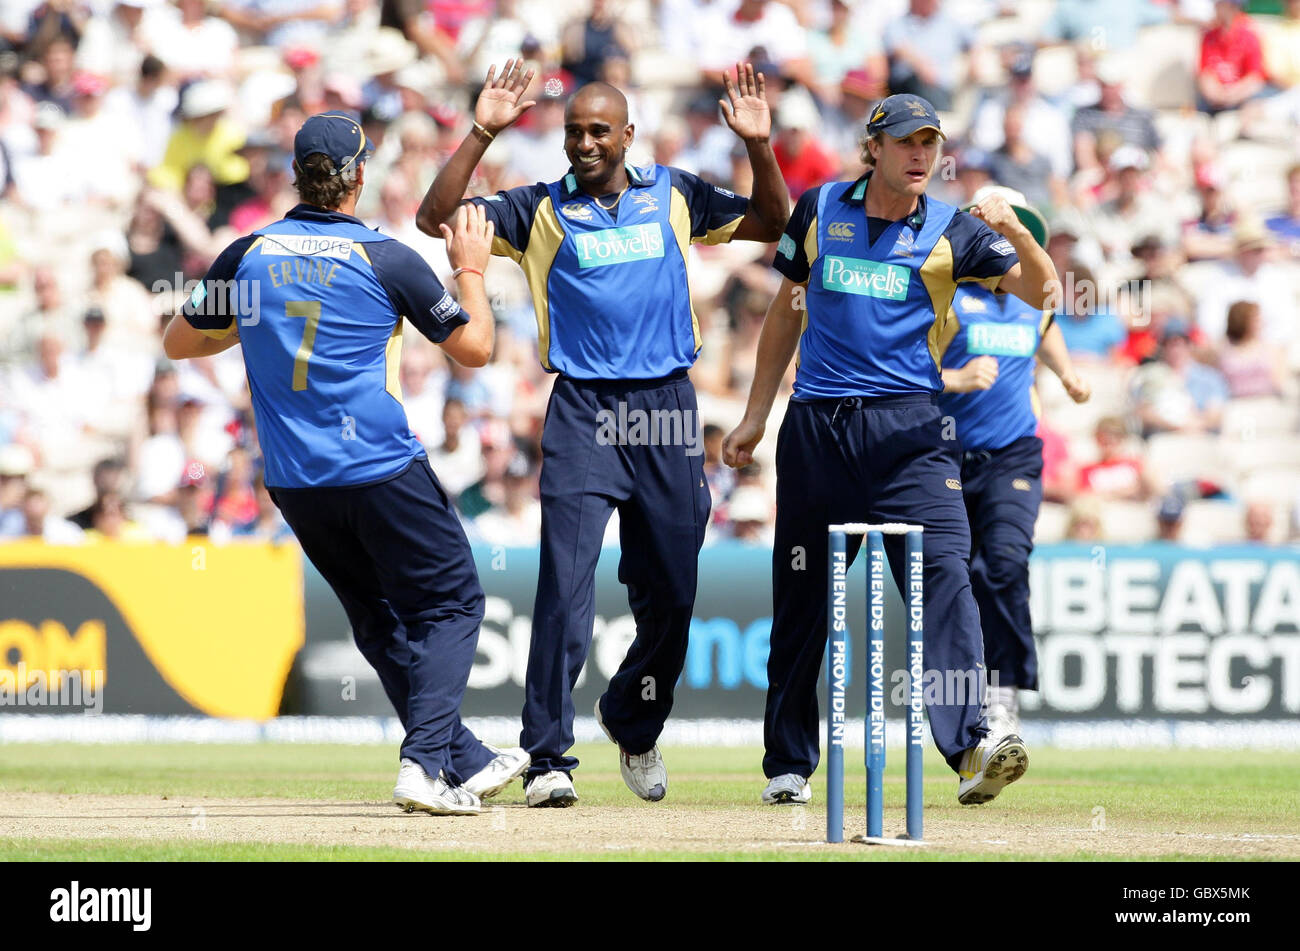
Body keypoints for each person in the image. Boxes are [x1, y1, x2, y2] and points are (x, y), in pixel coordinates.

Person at [416, 60, 789, 807]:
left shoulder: (675, 193)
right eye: (573, 132)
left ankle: (631, 718)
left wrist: (758, 146)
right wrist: (484, 127)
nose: (584, 144)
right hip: (585, 410)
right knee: (564, 586)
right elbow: (437, 217)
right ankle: (548, 755)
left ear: (627, 134)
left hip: (668, 410)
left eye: (597, 131)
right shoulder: (537, 209)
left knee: (675, 591)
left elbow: (775, 222)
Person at [162, 112, 530, 816]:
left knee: (379, 618)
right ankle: (424, 764)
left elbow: (183, 341)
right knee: (453, 602)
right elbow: (476, 348)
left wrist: (263, 321)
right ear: (359, 175)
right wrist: (472, 270)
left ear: (297, 175)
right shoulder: (383, 256)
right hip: (378, 466)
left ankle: (463, 757)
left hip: (297, 479)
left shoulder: (248, 252)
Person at [723, 94, 1057, 807]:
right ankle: (788, 763)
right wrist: (755, 415)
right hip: (818, 428)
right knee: (803, 597)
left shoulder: (954, 230)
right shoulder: (818, 210)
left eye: (931, 143)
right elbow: (787, 311)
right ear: (872, 147)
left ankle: (971, 742)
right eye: (907, 141)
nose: (920, 155)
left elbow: (1040, 290)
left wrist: (1016, 233)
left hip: (913, 434)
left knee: (945, 580)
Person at [936, 185, 1091, 738]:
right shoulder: (950, 295)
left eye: (1012, 230)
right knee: (955, 579)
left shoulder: (1029, 300)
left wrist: (1067, 375)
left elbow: (1047, 325)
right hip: (946, 456)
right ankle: (960, 697)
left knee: (1002, 564)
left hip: (1013, 456)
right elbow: (905, 368)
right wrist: (956, 378)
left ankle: (1003, 692)